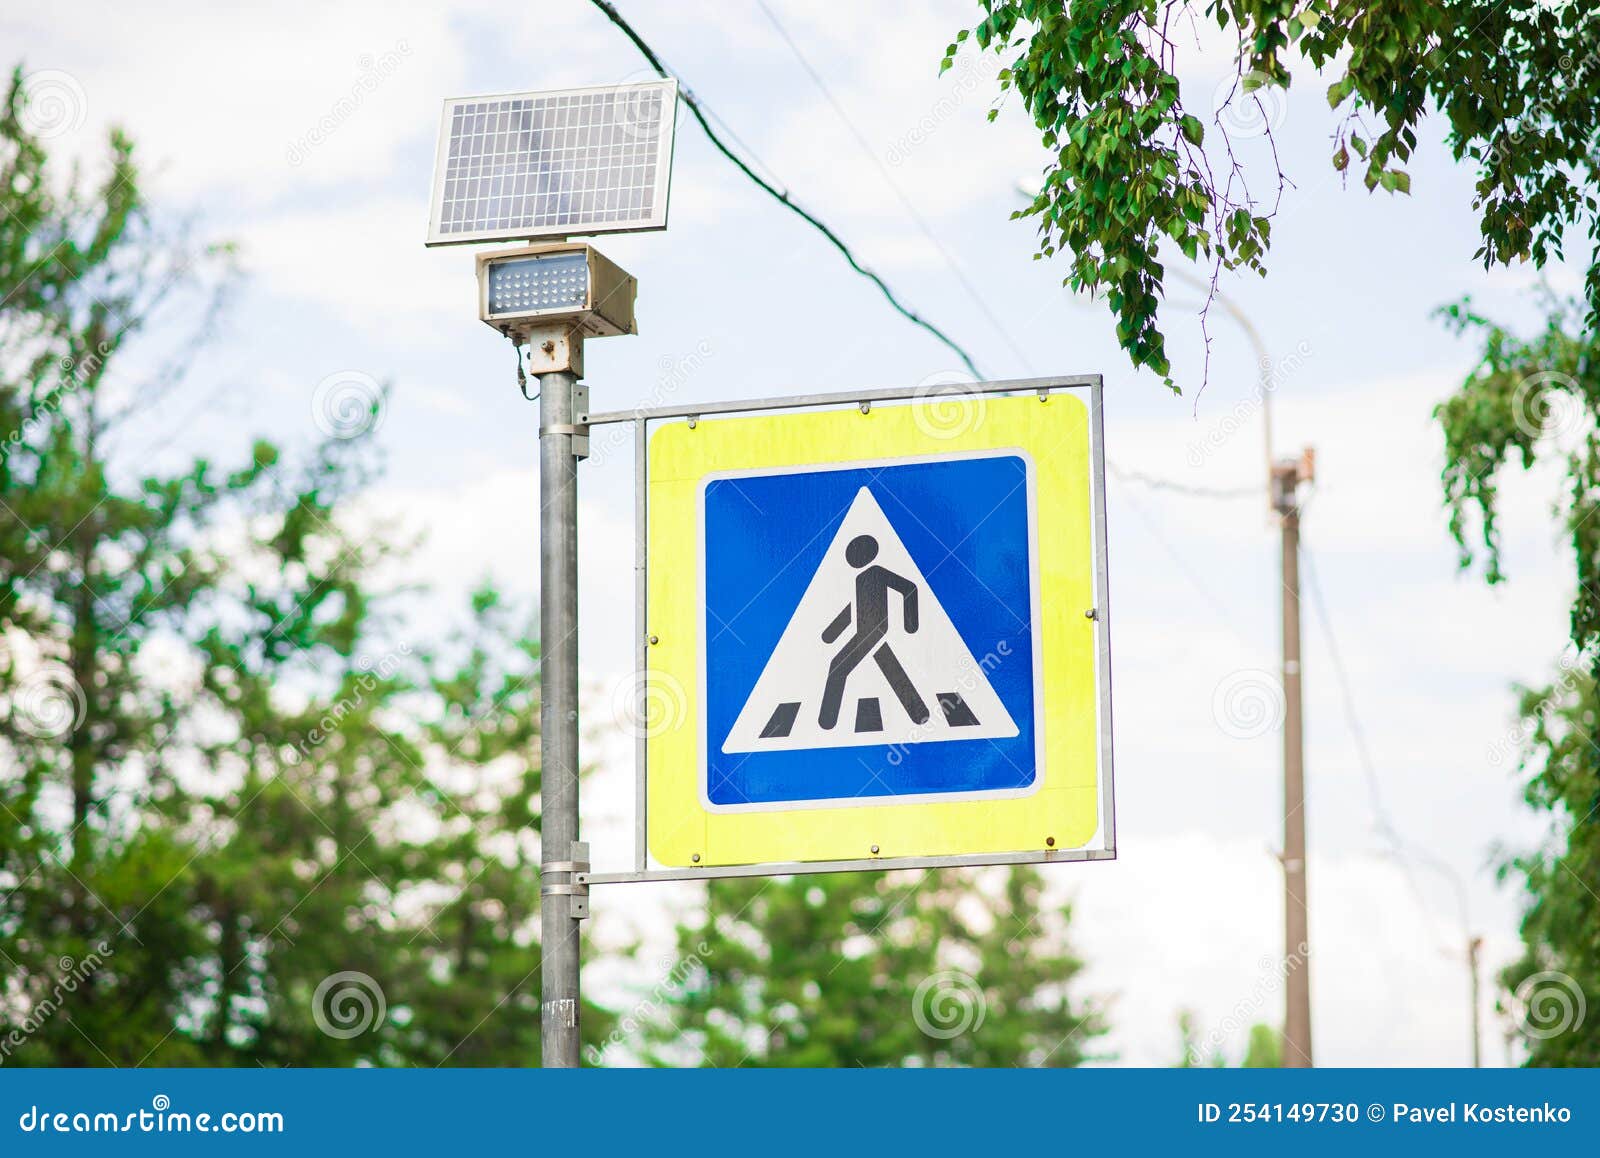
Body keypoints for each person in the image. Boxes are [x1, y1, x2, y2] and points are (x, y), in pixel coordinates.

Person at [818, 534, 930, 729]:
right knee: (890, 667)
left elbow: (908, 588)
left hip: (875, 630)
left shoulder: (877, 572)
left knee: (838, 667)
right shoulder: (861, 578)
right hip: (868, 631)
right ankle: (919, 713)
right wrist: (830, 633)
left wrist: (910, 624)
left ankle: (826, 722)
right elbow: (853, 610)